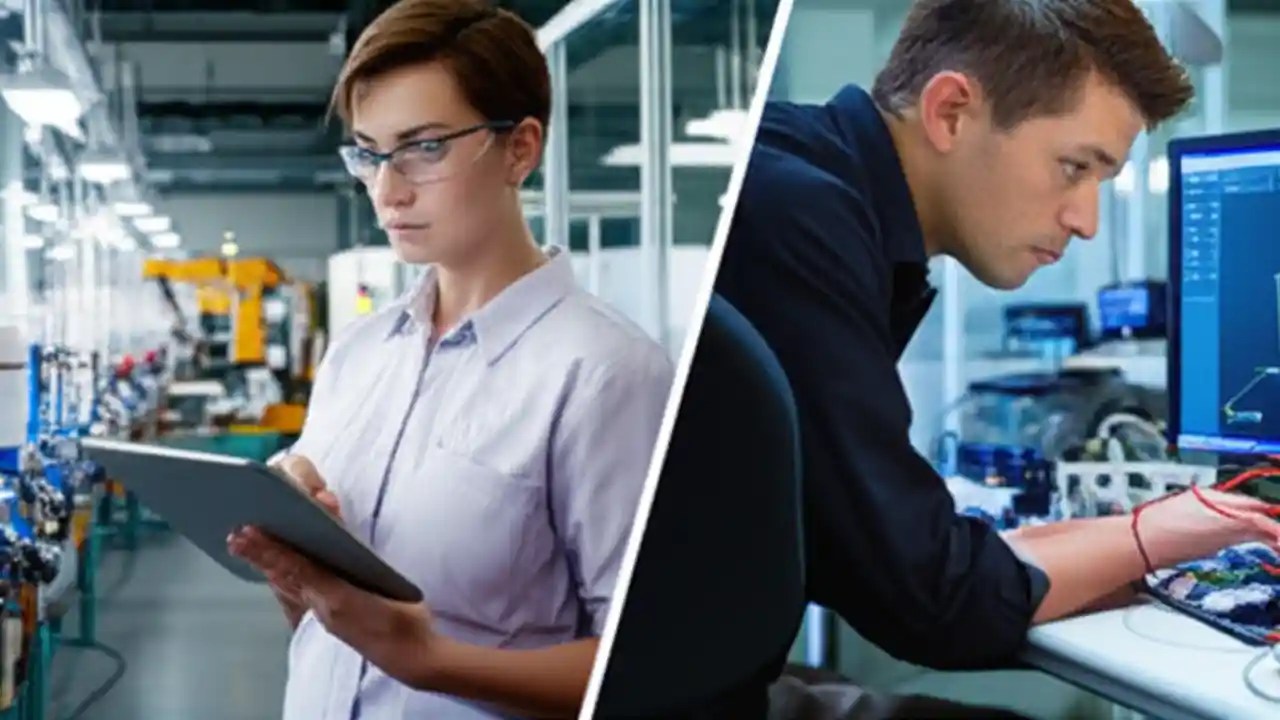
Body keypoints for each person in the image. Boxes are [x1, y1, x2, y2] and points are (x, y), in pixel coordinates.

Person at [715, 0, 1280, 714]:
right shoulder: (796, 221)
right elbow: (933, 601)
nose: (1086, 220)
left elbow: (869, 545)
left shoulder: (803, 179)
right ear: (951, 111)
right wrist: (1149, 538)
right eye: (1074, 167)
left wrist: (1143, 534)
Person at [225, 1, 674, 718]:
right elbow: (323, 632)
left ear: (520, 150)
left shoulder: (605, 375)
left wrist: (431, 663)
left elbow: (652, 669)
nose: (387, 189)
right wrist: (292, 567)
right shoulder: (356, 357)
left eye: (424, 147)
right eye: (370, 153)